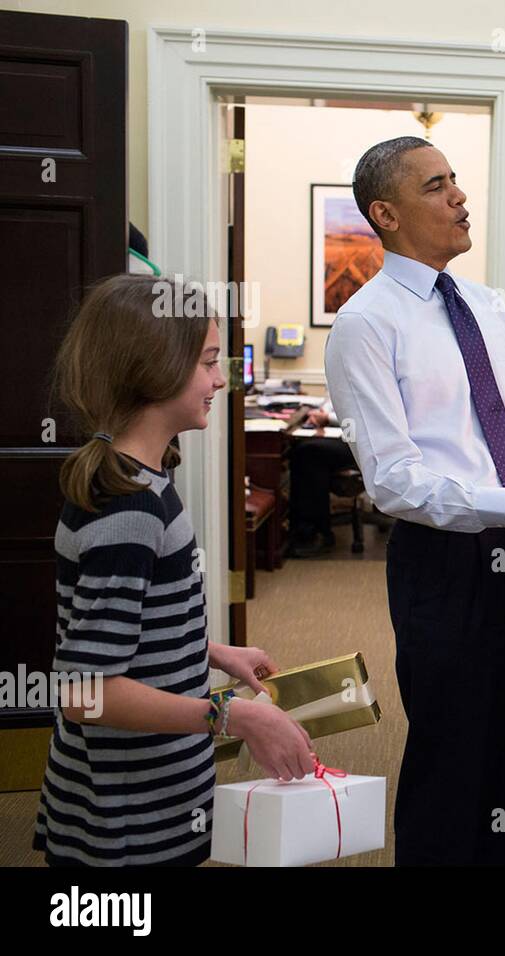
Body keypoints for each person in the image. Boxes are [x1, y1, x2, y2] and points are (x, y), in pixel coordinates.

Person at [325, 136, 505, 865]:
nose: (460, 198)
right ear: (386, 213)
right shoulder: (364, 325)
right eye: (437, 186)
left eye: (457, 182)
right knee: (453, 764)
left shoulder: (485, 303)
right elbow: (391, 477)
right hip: (448, 563)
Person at [34, 274, 314, 866]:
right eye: (210, 362)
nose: (220, 379)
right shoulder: (128, 507)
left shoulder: (144, 482)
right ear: (155, 367)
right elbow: (88, 692)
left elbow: (126, 628)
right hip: (126, 825)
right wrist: (227, 714)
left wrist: (210, 652)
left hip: (150, 801)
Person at [288, 399, 357, 557]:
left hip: (363, 440)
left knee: (309, 453)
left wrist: (327, 418)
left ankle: (316, 533)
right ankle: (301, 529)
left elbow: (359, 416)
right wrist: (321, 413)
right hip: (350, 432)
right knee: (305, 447)